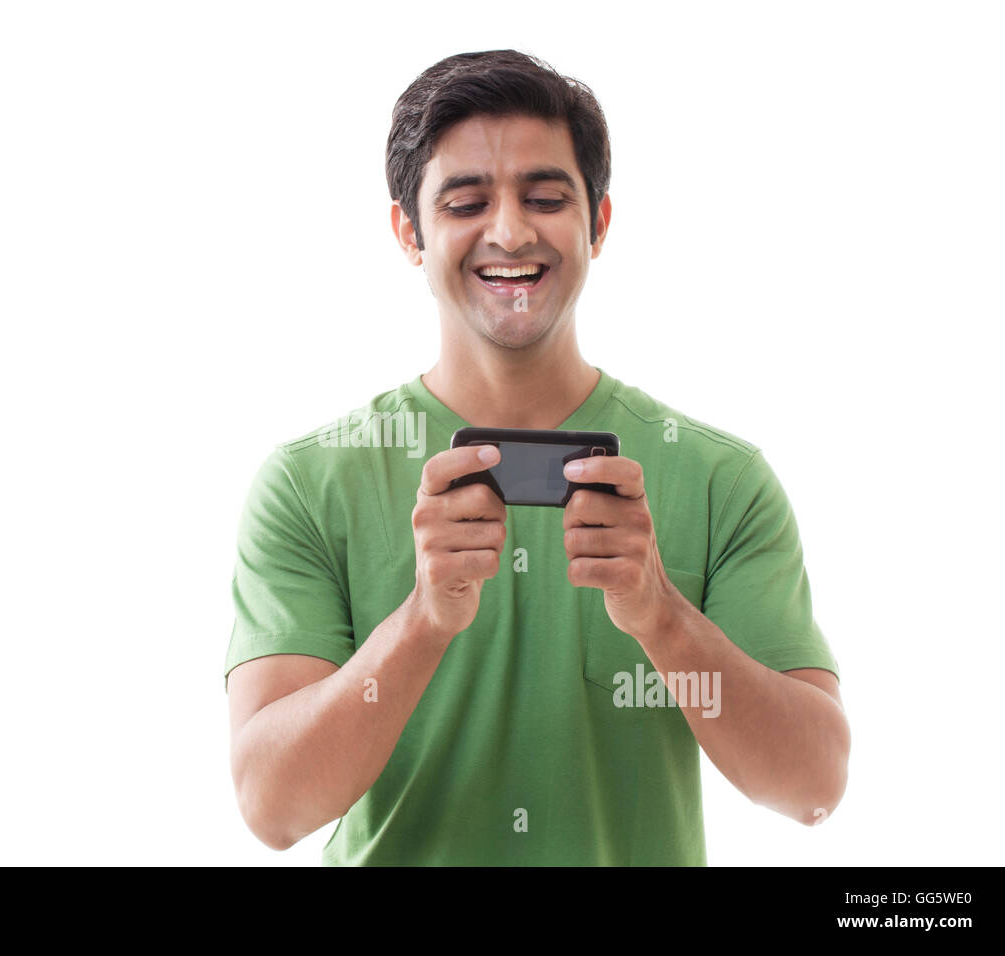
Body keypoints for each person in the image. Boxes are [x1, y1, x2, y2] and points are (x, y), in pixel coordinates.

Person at [223, 49, 849, 865]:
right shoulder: (310, 483)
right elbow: (273, 810)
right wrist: (423, 622)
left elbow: (812, 789)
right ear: (409, 232)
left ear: (599, 223)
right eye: (466, 201)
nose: (510, 231)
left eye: (546, 197)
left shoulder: (720, 480)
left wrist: (660, 616)